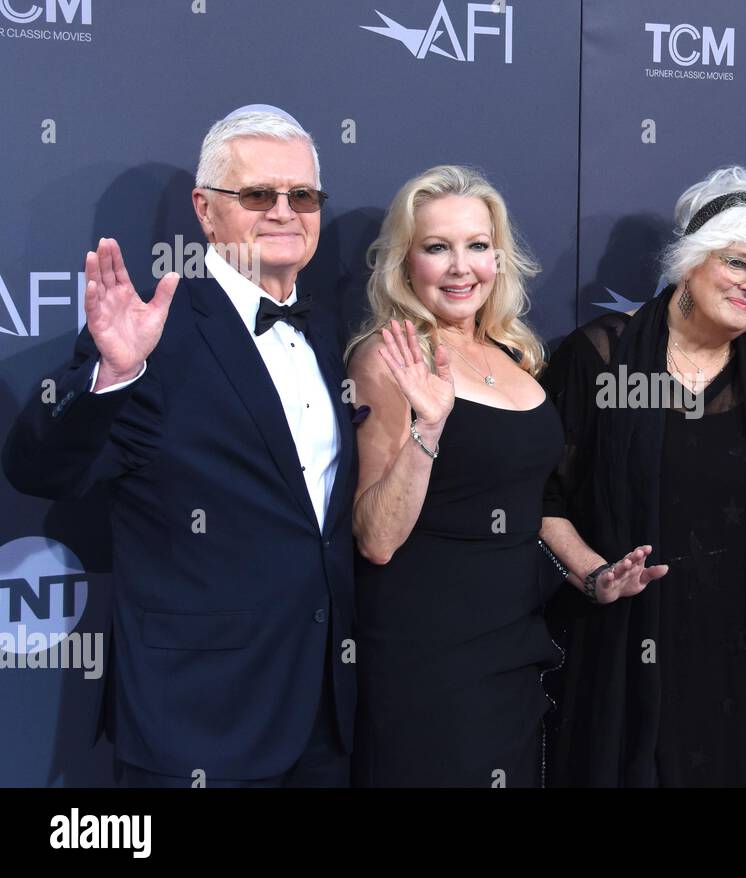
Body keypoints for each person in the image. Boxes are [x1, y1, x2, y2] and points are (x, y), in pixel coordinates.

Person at [2, 107, 357, 787]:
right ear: (206, 209)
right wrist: (113, 374)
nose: (285, 211)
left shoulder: (328, 335)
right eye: (258, 195)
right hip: (198, 718)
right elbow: (40, 468)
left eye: (302, 195)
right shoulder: (153, 334)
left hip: (324, 714)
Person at [539, 166, 746, 787]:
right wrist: (594, 574)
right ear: (689, 260)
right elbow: (543, 495)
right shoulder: (599, 359)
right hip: (623, 650)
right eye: (736, 263)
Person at [346, 165, 562, 787]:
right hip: (431, 655)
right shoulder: (389, 358)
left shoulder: (517, 355)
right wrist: (429, 430)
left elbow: (531, 499)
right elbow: (376, 537)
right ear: (406, 263)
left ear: (499, 258)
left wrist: (592, 575)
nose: (460, 266)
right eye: (437, 248)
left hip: (515, 645)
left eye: (477, 246)